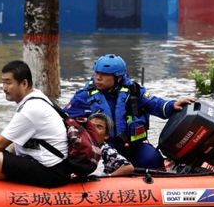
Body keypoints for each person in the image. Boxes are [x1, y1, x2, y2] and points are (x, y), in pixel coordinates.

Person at [63, 54, 195, 169]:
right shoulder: (84, 96)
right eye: (96, 73)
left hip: (132, 147)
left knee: (153, 159)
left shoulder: (134, 91)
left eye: (104, 75)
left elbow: (156, 104)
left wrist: (172, 105)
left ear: (118, 77)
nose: (98, 78)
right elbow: (66, 119)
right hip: (101, 148)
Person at [0, 60, 72, 188]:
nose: (4, 88)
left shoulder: (31, 108)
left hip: (52, 170)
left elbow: (0, 142)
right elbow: (13, 140)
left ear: (24, 83)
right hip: (55, 164)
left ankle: (2, 192)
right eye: (3, 82)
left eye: (8, 82)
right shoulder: (35, 97)